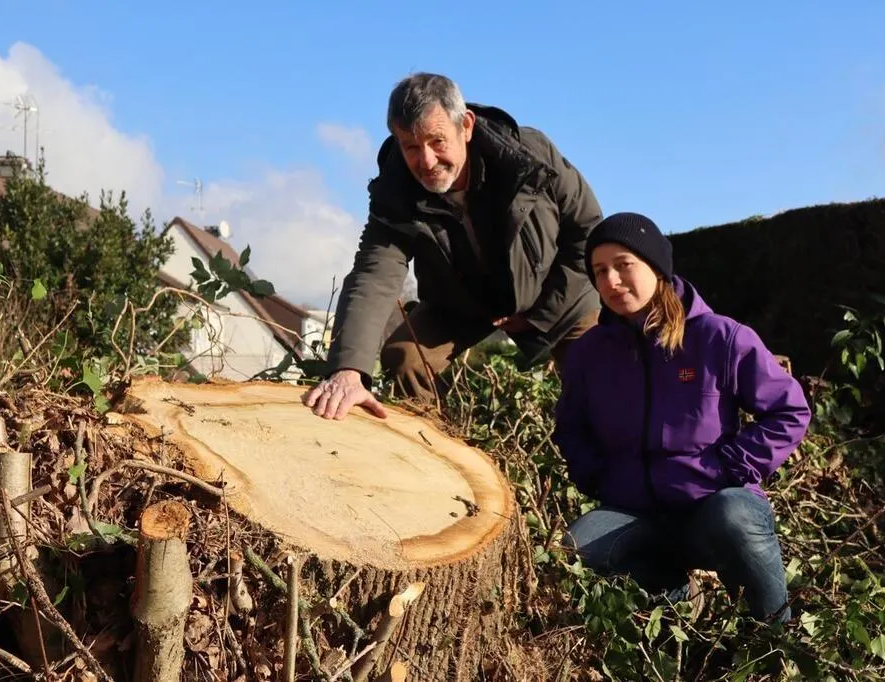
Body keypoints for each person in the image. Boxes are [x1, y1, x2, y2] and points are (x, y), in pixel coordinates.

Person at [551, 212, 811, 623]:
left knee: (736, 517)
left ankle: (775, 636)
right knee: (574, 554)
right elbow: (570, 426)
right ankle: (676, 594)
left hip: (710, 507)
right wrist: (597, 476)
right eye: (600, 271)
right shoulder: (589, 353)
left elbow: (789, 411)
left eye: (624, 266)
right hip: (632, 510)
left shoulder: (720, 338)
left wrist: (727, 467)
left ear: (656, 267)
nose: (612, 281)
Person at [303, 73, 603, 420]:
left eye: (437, 141)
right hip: (462, 302)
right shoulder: (394, 191)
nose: (426, 162)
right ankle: (433, 447)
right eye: (411, 147)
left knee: (596, 376)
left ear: (467, 126)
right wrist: (348, 371)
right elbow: (374, 275)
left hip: (553, 292)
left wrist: (540, 315)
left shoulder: (530, 155)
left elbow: (587, 231)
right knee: (406, 358)